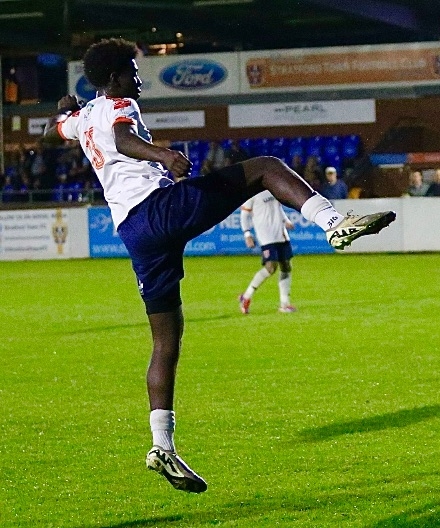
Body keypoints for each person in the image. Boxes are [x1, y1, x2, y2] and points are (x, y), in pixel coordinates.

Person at [43, 38, 395, 494]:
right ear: (113, 78)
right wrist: (164, 156)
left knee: (166, 338)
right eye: (132, 70)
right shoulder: (117, 104)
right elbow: (124, 138)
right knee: (265, 167)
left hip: (133, 232)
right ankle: (333, 222)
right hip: (158, 207)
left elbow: (50, 135)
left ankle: (162, 446)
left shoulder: (83, 118)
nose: (137, 78)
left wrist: (63, 113)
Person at [238, 190, 297, 314]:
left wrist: (286, 221)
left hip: (280, 233)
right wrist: (247, 234)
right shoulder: (252, 191)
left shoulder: (273, 187)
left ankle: (284, 304)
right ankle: (246, 297)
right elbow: (244, 214)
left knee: (286, 266)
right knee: (271, 268)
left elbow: (278, 207)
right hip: (266, 235)